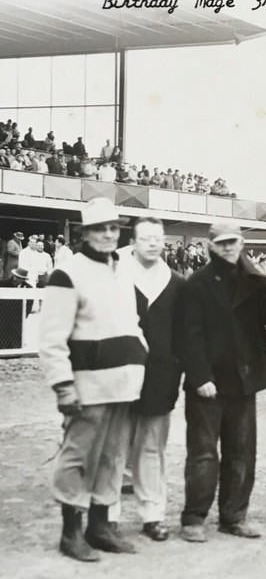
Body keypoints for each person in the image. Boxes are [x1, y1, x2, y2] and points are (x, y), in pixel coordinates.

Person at [179, 221, 266, 543]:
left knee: (241, 453)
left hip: (243, 381)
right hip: (208, 385)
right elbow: (188, 336)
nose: (228, 248)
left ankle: (234, 517)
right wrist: (200, 377)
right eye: (221, 243)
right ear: (211, 247)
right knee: (203, 455)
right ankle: (193, 518)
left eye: (233, 242)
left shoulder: (254, 280)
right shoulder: (197, 283)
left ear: (241, 243)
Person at [38, 198, 148, 562]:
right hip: (87, 387)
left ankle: (100, 527)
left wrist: (140, 355)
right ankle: (70, 533)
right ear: (85, 233)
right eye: (100, 228)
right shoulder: (68, 273)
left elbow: (131, 323)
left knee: (113, 458)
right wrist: (62, 385)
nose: (108, 234)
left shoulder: (123, 271)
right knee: (78, 457)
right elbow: (51, 338)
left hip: (124, 383)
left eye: (114, 228)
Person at [115, 217, 185, 542]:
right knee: (115, 448)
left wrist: (175, 369)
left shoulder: (176, 282)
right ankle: (108, 516)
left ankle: (152, 515)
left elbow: (184, 334)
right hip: (119, 374)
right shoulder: (114, 276)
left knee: (152, 448)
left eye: (158, 237)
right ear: (133, 241)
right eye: (146, 238)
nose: (153, 243)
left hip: (160, 376)